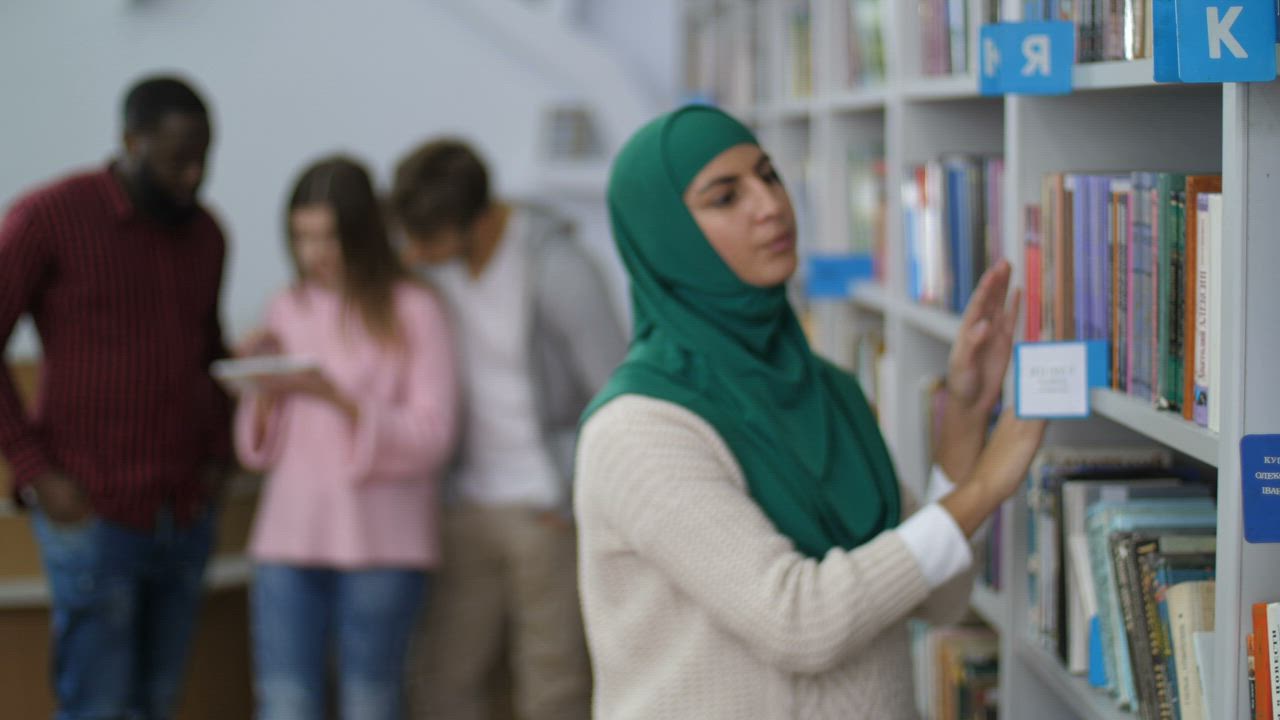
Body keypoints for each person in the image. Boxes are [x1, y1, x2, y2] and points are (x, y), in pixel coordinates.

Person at [574, 105, 1047, 719]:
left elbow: (941, 594)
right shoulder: (638, 429)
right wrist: (984, 487)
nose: (769, 205)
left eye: (768, 175)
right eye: (725, 197)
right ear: (666, 236)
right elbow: (799, 623)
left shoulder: (825, 391)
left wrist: (963, 417)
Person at [0, 75, 231, 720]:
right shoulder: (49, 216)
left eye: (204, 159)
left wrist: (219, 456)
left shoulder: (206, 234)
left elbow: (209, 348)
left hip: (182, 508)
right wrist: (35, 473)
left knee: (158, 700)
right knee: (96, 705)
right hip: (91, 507)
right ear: (131, 142)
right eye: (177, 160)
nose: (193, 177)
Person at [390, 139, 626, 720]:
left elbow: (616, 393)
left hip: (544, 509)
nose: (414, 254)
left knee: (554, 684)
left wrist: (571, 489)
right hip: (467, 504)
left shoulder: (557, 268)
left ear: (474, 222)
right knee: (442, 680)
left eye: (428, 240)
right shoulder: (436, 271)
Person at [232, 156, 458, 720]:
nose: (314, 255)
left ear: (362, 234)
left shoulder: (415, 308)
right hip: (288, 540)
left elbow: (434, 437)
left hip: (382, 545)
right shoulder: (286, 307)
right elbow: (259, 447)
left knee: (370, 701)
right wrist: (261, 384)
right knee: (285, 702)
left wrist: (338, 397)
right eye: (301, 238)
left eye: (329, 238)